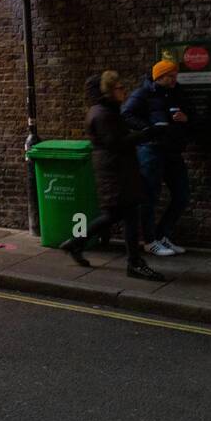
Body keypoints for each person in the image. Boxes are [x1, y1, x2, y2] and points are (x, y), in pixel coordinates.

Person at [60, 71, 163, 280]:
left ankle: (76, 242)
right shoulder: (102, 114)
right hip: (115, 172)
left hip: (117, 170)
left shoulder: (107, 111)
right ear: (107, 91)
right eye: (118, 87)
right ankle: (134, 263)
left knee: (114, 215)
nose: (123, 90)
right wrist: (145, 134)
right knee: (129, 215)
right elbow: (115, 143)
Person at [121, 59, 192, 255]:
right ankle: (150, 241)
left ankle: (162, 235)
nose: (174, 79)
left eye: (175, 76)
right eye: (170, 76)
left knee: (182, 195)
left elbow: (191, 113)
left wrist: (186, 118)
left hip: (173, 150)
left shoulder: (178, 92)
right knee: (150, 196)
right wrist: (149, 129)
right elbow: (126, 114)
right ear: (159, 77)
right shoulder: (143, 93)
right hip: (150, 150)